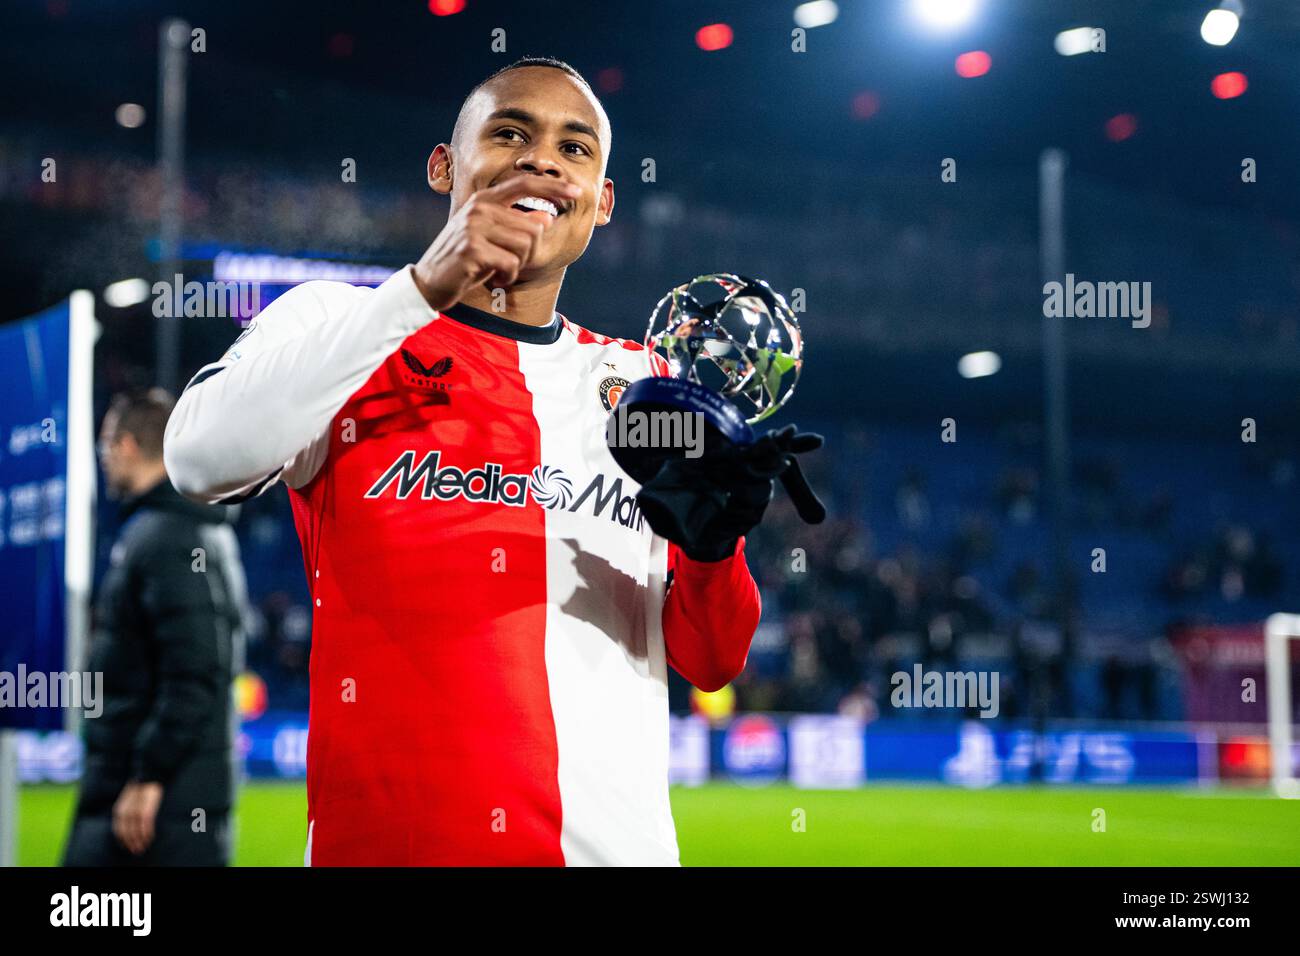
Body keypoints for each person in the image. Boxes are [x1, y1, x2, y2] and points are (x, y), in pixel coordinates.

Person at [164, 57, 820, 865]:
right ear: (445, 165)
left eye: (576, 149)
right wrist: (423, 288)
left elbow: (710, 660)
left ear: (602, 202)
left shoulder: (646, 394)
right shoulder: (341, 322)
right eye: (510, 133)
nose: (544, 159)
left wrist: (714, 553)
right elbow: (196, 458)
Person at [64, 388, 248, 866]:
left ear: (126, 446)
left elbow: (196, 672)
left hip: (153, 810)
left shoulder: (168, 535)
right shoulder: (182, 529)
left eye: (105, 445)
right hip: (160, 799)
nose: (103, 460)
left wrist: (148, 776)